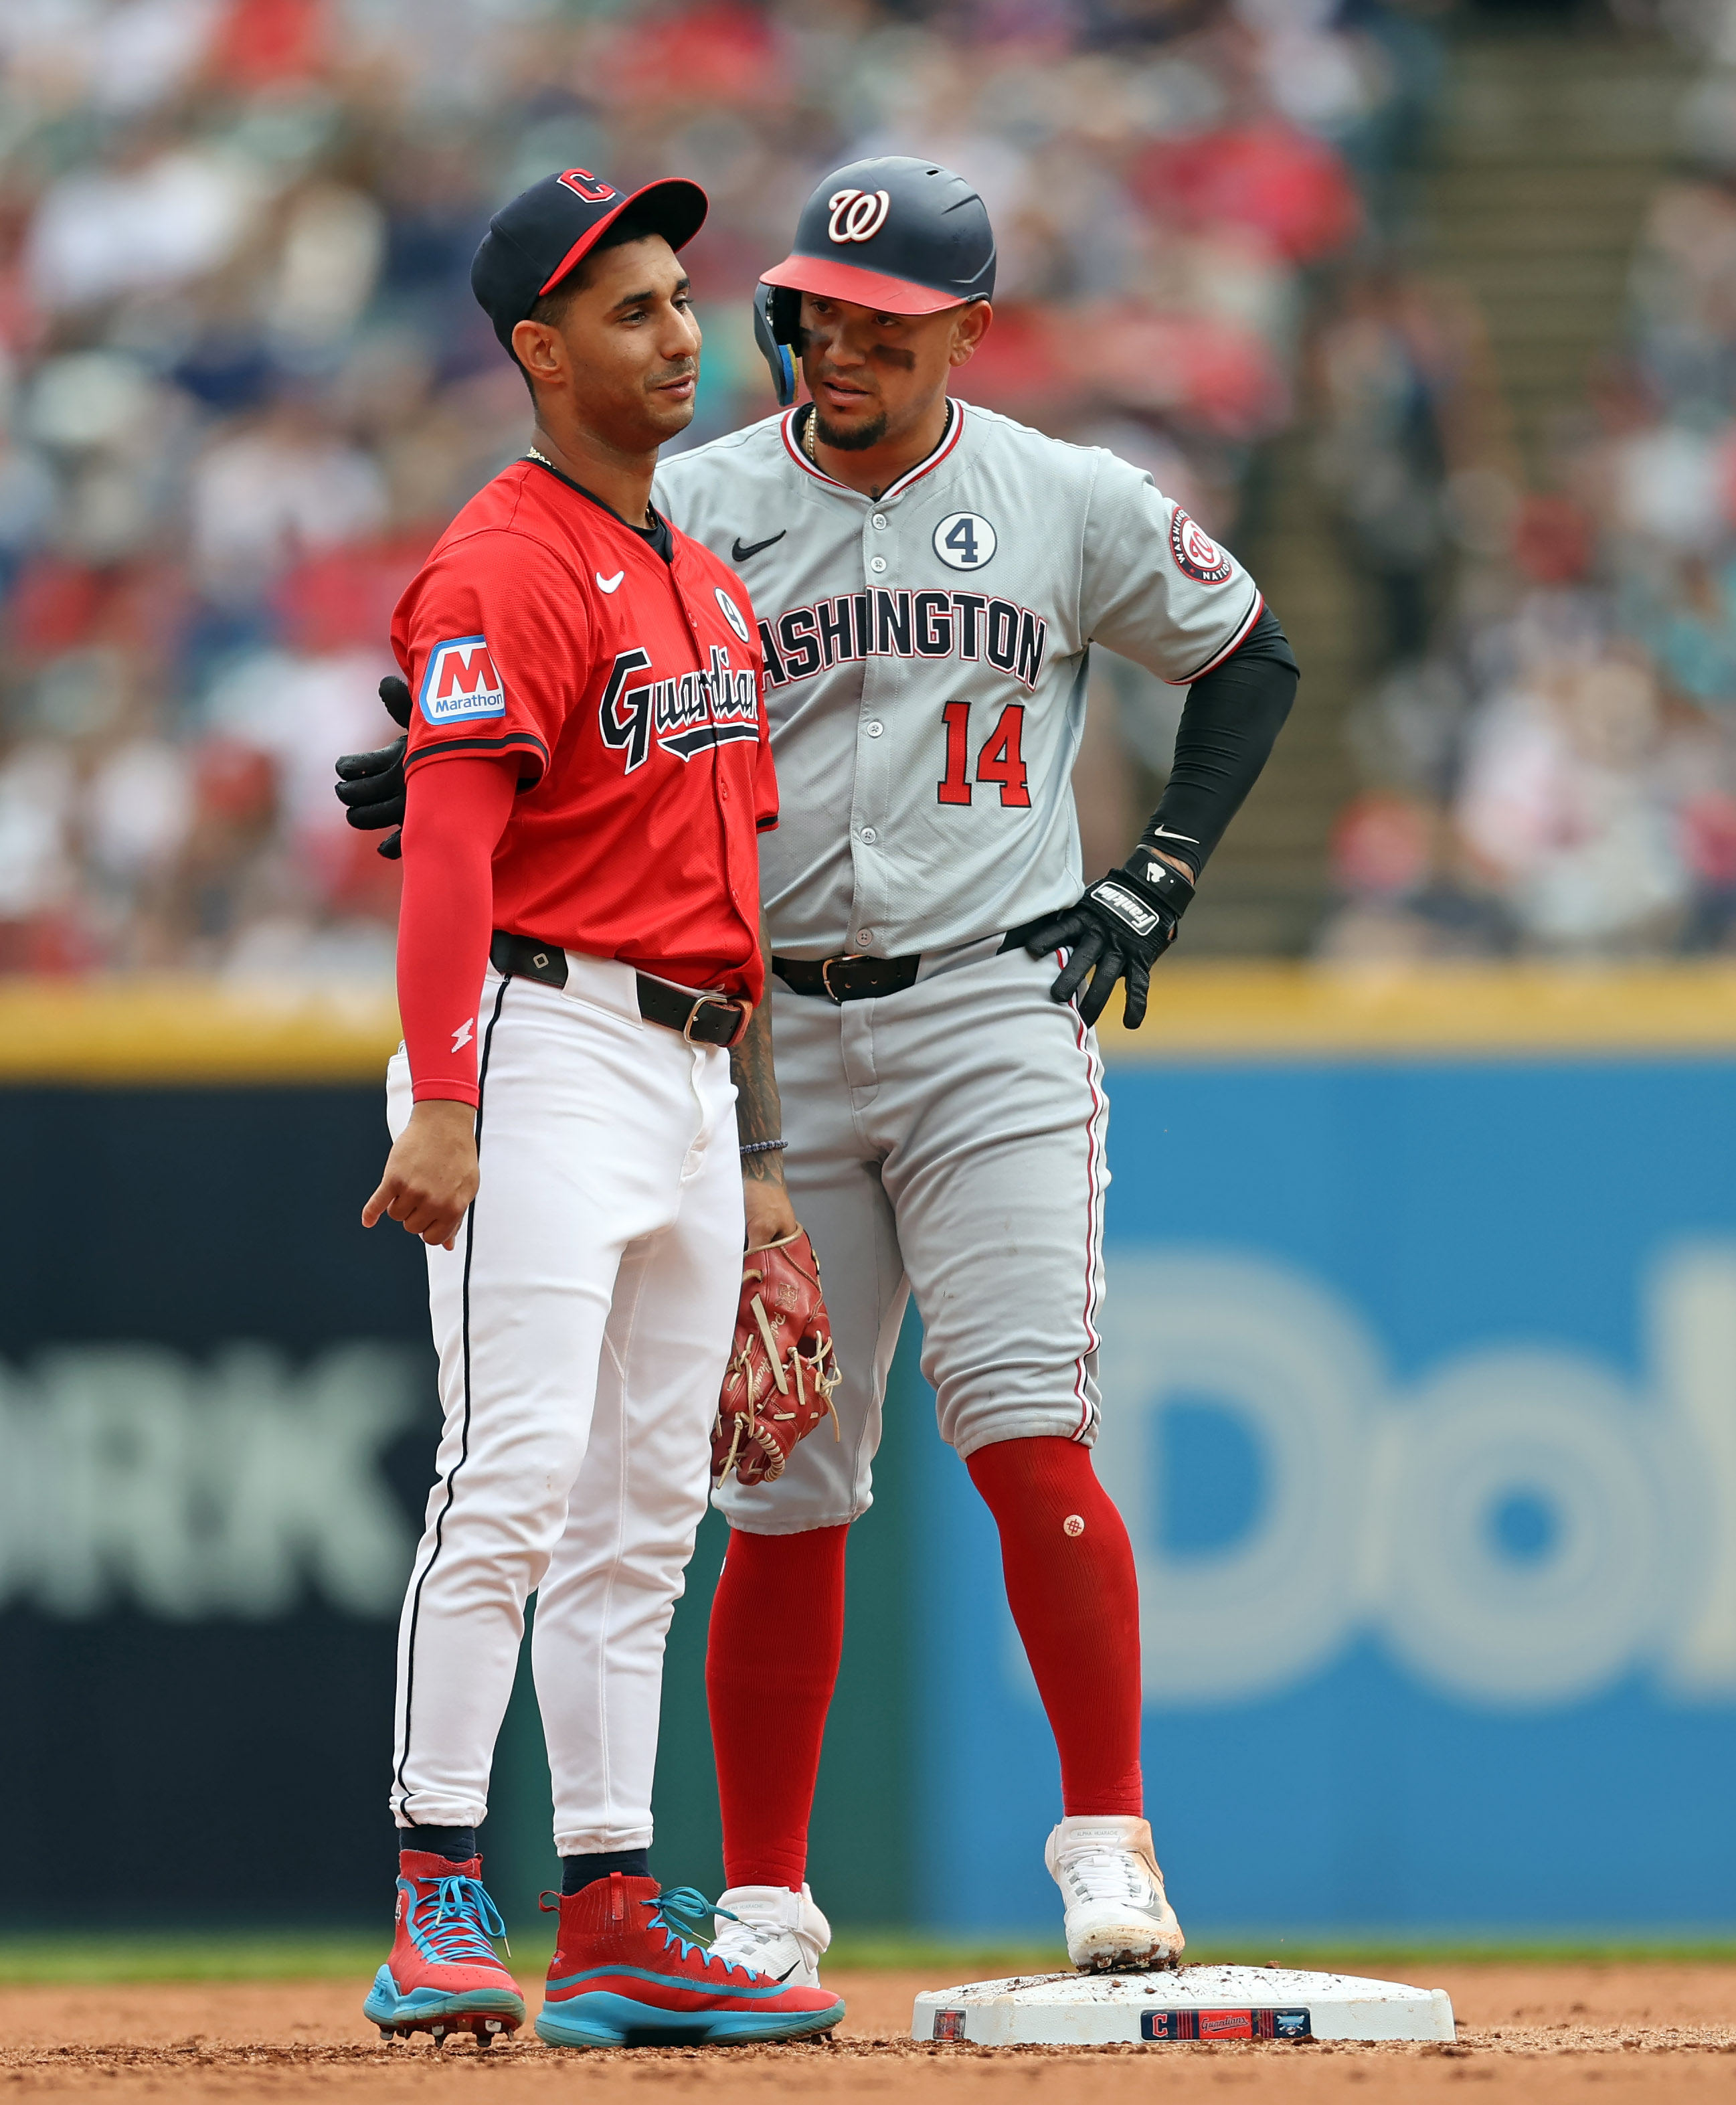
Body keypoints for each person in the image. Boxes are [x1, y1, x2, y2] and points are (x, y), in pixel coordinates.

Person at [343, 156, 1298, 1984]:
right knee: (770, 1472)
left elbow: (1250, 656)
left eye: (880, 318)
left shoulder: (1063, 495)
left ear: (965, 331)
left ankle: (1106, 1837)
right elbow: (534, 684)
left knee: (1027, 1426)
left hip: (979, 1001)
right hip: (746, 1030)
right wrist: (450, 768)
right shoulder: (690, 503)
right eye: (810, 304)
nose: (830, 339)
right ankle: (763, 1890)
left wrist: (1160, 869)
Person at [345, 165, 843, 2050]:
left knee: (648, 1510)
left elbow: (743, 915)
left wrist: (767, 1168)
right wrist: (451, 1097)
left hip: (692, 1068)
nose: (678, 329)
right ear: (539, 352)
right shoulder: (501, 561)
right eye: (629, 308)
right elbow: (448, 863)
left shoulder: (702, 578)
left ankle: (617, 1909)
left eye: (679, 298)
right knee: (515, 1475)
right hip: (535, 1042)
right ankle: (433, 1883)